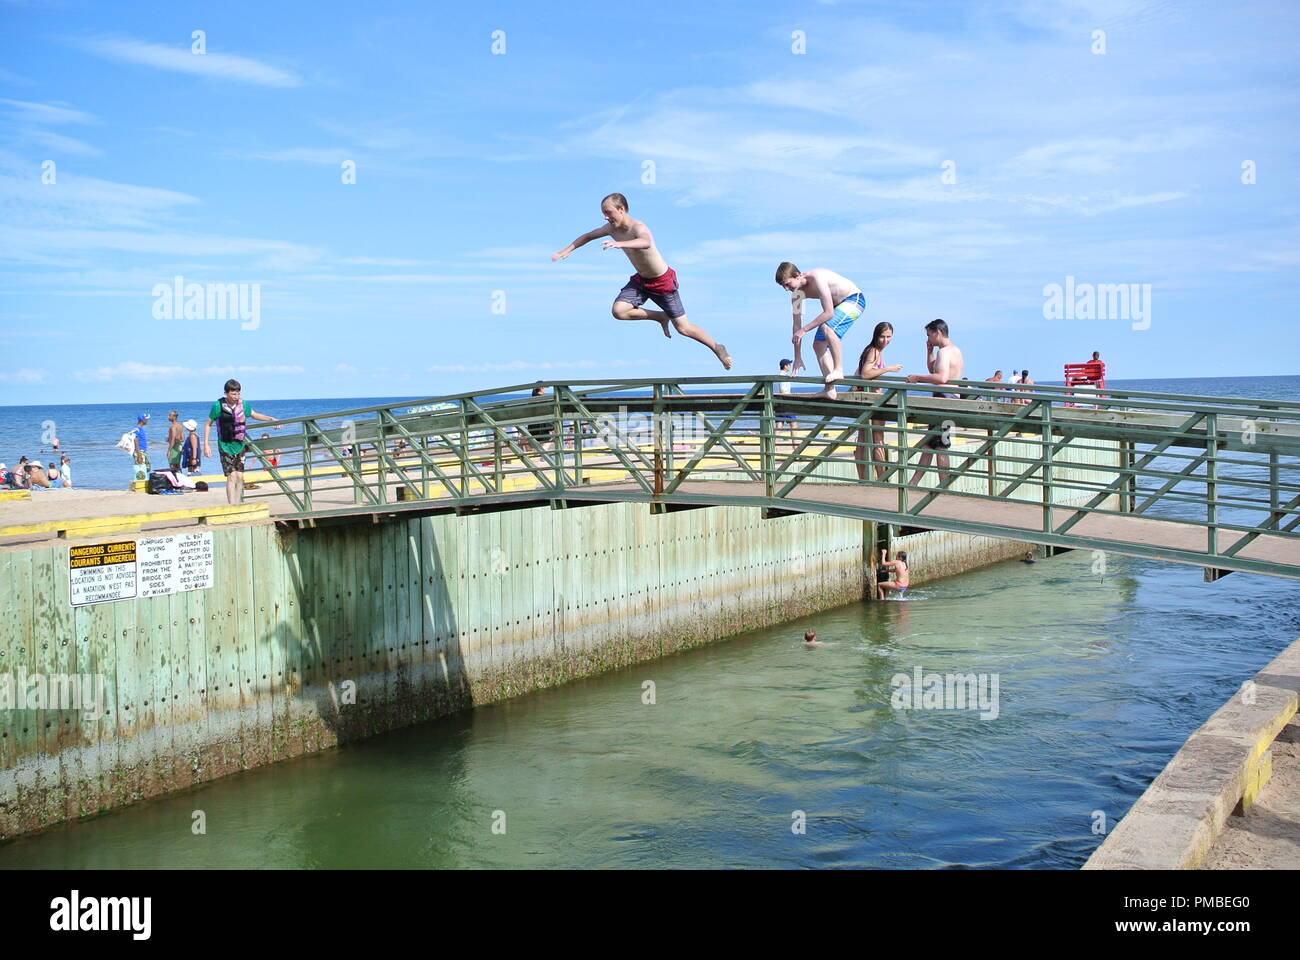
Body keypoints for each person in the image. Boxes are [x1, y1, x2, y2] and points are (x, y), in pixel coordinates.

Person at [552, 193, 731, 369]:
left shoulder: (638, 227)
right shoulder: (611, 229)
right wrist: (565, 251)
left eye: (608, 212)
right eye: (604, 213)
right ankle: (660, 316)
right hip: (641, 281)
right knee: (619, 311)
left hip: (662, 282)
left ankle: (717, 348)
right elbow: (588, 236)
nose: (606, 217)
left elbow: (645, 242)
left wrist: (620, 244)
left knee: (683, 329)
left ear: (621, 209)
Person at [775, 262, 866, 400]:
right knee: (818, 344)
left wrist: (804, 330)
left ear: (798, 275)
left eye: (788, 284)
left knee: (827, 328)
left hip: (854, 300)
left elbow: (828, 313)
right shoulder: (796, 296)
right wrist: (798, 357)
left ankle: (838, 369)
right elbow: (796, 326)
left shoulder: (817, 277)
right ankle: (829, 389)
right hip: (838, 307)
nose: (787, 289)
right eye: (783, 286)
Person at [907, 319, 965, 487]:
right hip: (950, 400)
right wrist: (929, 351)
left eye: (929, 335)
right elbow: (934, 369)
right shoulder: (955, 351)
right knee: (930, 443)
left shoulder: (945, 352)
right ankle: (914, 483)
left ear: (938, 332)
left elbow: (941, 377)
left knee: (940, 445)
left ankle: (943, 486)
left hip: (943, 401)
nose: (928, 339)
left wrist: (917, 378)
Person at [203, 379, 279, 505]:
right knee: (231, 476)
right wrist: (206, 444)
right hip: (225, 445)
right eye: (233, 394)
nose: (236, 397)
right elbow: (208, 424)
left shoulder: (243, 404)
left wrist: (270, 419)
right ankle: (232, 505)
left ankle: (237, 505)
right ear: (226, 393)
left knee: (240, 476)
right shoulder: (218, 405)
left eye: (238, 394)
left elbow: (254, 415)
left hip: (240, 444)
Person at [853, 321, 904, 480]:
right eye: (882, 337)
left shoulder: (870, 350)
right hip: (873, 401)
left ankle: (863, 478)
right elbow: (865, 374)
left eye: (889, 337)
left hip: (865, 400)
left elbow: (858, 372)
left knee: (862, 439)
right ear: (876, 336)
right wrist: (889, 368)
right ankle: (882, 478)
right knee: (877, 439)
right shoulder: (874, 352)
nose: (885, 340)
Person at [774, 359, 798, 446]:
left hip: (777, 403)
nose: (790, 366)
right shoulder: (783, 377)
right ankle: (795, 447)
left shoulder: (776, 377)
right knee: (794, 425)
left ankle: (775, 447)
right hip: (785, 402)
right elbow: (783, 390)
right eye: (789, 365)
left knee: (779, 426)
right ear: (785, 366)